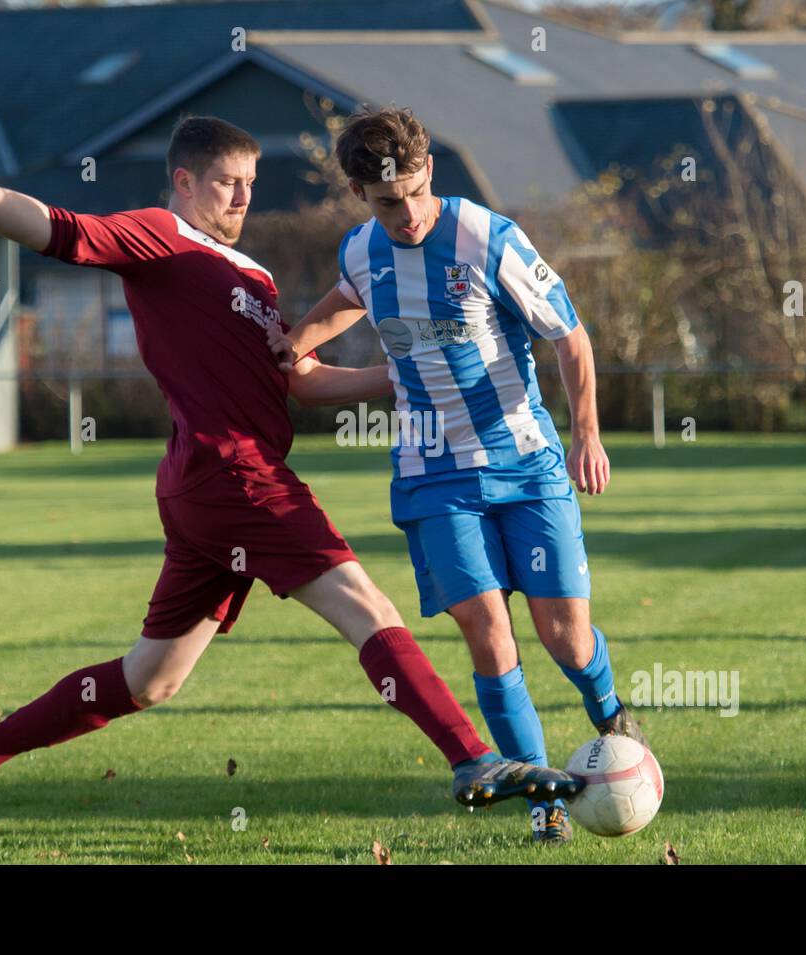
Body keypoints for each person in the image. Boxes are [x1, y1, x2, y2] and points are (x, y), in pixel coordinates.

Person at [0, 115, 579, 838]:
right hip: (234, 475)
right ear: (185, 181)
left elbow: (301, 381)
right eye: (227, 182)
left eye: (250, 185)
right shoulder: (159, 236)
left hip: (206, 489)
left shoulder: (252, 277)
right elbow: (55, 227)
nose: (241, 198)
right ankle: (472, 756)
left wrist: (399, 376)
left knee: (150, 678)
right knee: (366, 606)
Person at [269, 106, 649, 845]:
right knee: (487, 633)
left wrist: (587, 436)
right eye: (386, 202)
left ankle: (608, 708)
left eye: (414, 192)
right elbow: (300, 361)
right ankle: (543, 798)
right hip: (433, 478)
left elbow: (570, 338)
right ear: (358, 195)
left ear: (430, 172)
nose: (406, 214)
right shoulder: (359, 257)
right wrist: (377, 374)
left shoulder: (487, 238)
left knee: (565, 638)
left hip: (528, 466)